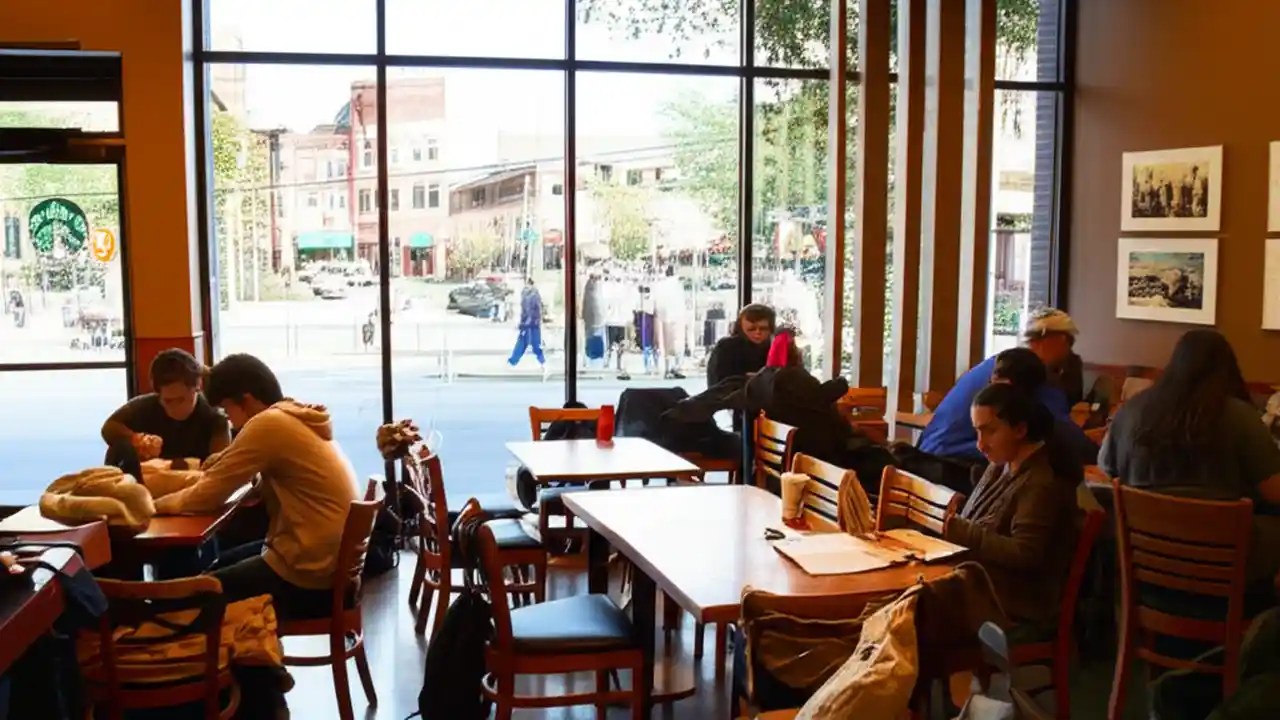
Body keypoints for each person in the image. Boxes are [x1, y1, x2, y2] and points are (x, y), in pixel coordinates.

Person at [153, 353, 359, 618]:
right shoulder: (292, 415)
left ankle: (184, 649)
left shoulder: (268, 424)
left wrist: (152, 506)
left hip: (309, 579)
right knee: (221, 564)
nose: (229, 420)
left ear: (246, 401)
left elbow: (205, 497)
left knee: (198, 592)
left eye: (228, 410)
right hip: (330, 568)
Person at [1101, 329, 1280, 589]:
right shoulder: (1240, 418)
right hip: (1223, 572)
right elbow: (1275, 491)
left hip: (1148, 570)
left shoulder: (1132, 411)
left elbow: (1107, 468)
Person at [943, 382, 1081, 625]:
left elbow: (1024, 554)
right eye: (977, 432)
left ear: (1020, 430)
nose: (980, 444)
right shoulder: (1000, 464)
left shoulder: (1041, 482)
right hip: (984, 580)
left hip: (1016, 601)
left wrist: (958, 529)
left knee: (915, 603)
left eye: (990, 431)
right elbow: (974, 523)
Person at [101, 348, 231, 464]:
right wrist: (137, 440)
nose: (176, 408)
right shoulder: (146, 407)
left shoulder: (215, 417)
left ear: (197, 387)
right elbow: (109, 427)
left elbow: (219, 465)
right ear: (158, 394)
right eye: (168, 401)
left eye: (181, 400)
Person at [706, 303, 776, 386]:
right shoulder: (727, 348)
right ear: (741, 328)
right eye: (751, 329)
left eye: (763, 329)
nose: (758, 333)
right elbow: (718, 384)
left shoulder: (777, 347)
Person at [507, 277, 546, 370]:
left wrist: (524, 323)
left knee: (527, 343)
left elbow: (529, 311)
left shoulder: (528, 294)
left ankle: (513, 361)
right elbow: (533, 311)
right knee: (529, 343)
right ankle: (513, 361)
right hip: (532, 324)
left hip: (530, 324)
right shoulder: (533, 294)